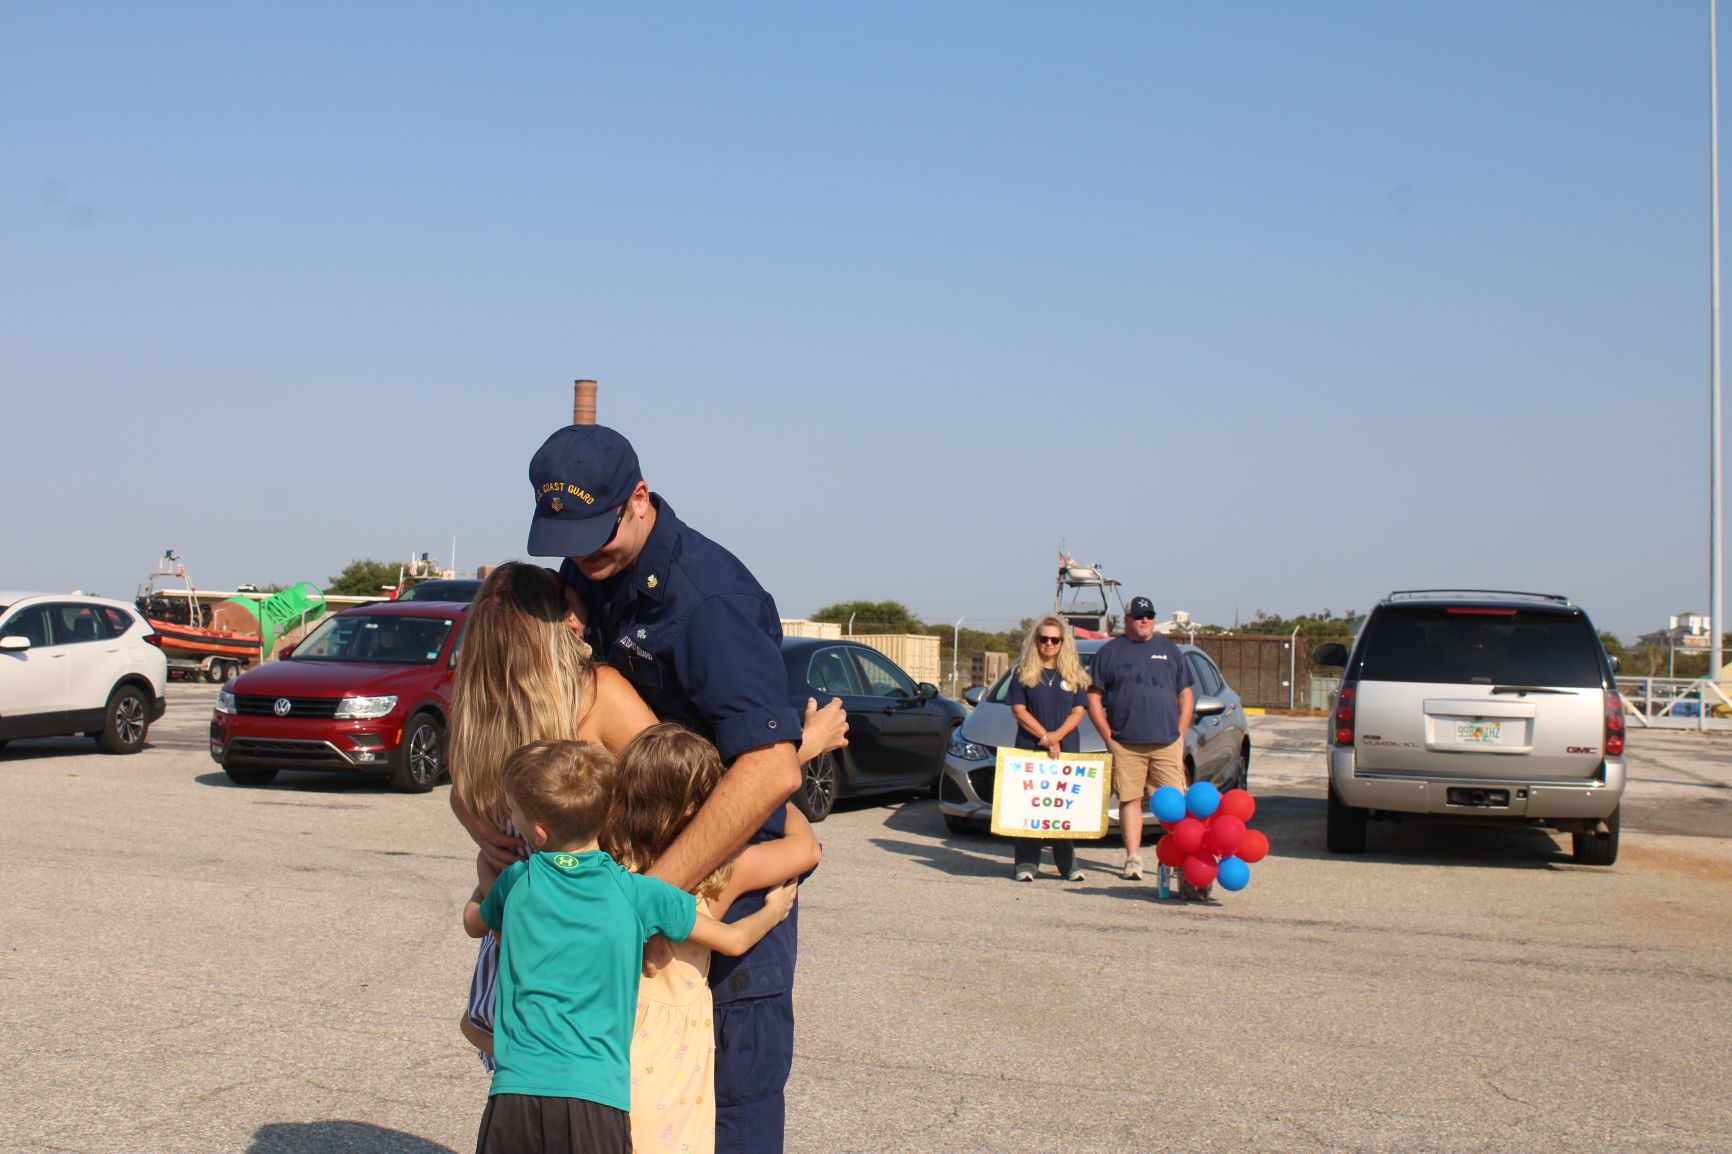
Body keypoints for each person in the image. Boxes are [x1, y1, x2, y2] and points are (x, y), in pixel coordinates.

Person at [527, 423, 810, 1154]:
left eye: (596, 533)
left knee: (731, 1116)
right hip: (639, 892)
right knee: (638, 1117)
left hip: (720, 891)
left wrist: (645, 902)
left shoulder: (709, 598)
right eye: (567, 539)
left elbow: (771, 769)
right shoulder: (590, 576)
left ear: (639, 498)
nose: (582, 554)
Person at [448, 562, 845, 1066]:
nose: (578, 615)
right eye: (566, 601)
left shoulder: (476, 715)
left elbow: (464, 797)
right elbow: (690, 789)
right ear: (553, 621)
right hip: (588, 959)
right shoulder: (594, 694)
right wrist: (803, 746)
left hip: (513, 971)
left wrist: (479, 835)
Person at [463, 739, 796, 1154]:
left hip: (517, 1091)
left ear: (539, 831)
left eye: (514, 811)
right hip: (597, 1099)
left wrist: (483, 868)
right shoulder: (638, 892)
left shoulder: (518, 883)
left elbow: (473, 922)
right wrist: (773, 911)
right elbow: (734, 939)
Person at [601, 724, 821, 1154]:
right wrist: (773, 794)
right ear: (698, 808)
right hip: (673, 1057)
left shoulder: (608, 862)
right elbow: (807, 849)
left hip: (613, 1044)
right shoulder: (723, 873)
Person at [1085, 596, 1193, 881]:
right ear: (1127, 620)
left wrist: (1180, 734)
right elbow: (1093, 697)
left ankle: (1178, 859)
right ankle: (1133, 858)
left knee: (1172, 804)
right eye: (1139, 616)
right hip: (1126, 744)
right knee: (1129, 799)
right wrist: (1108, 736)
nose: (1145, 620)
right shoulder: (1109, 653)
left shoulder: (1170, 651)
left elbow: (1186, 694)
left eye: (1149, 615)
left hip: (1167, 743)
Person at [1004, 616, 1092, 882]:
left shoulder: (1074, 674)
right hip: (1031, 748)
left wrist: (1057, 737)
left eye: (1055, 639)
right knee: (1029, 807)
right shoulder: (1022, 673)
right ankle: (1026, 864)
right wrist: (1046, 738)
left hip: (1066, 750)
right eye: (1044, 639)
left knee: (1062, 808)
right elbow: (1019, 711)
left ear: (1063, 642)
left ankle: (1068, 865)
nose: (1049, 644)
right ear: (1036, 641)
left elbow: (1078, 712)